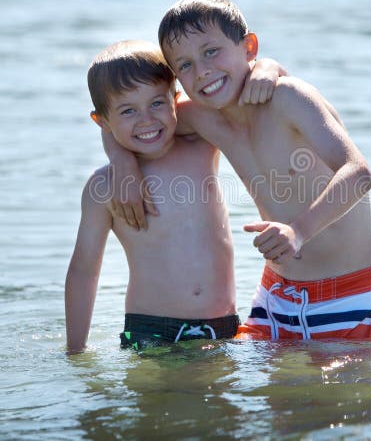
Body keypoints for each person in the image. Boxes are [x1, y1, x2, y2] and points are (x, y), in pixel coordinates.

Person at [107, 0, 371, 340]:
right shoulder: (199, 116)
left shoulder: (288, 98)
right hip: (275, 297)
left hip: (347, 293)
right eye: (185, 65)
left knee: (343, 391)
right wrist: (123, 164)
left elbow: (358, 173)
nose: (202, 71)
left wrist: (298, 231)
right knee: (270, 392)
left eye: (211, 52)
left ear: (249, 46)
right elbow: (127, 121)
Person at [65, 39, 276, 353]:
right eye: (128, 111)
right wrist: (75, 349)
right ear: (103, 122)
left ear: (175, 100)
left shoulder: (201, 144)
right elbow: (84, 269)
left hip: (223, 327)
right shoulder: (105, 186)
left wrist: (268, 68)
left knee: (222, 401)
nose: (147, 120)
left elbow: (239, 87)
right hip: (151, 329)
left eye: (157, 103)